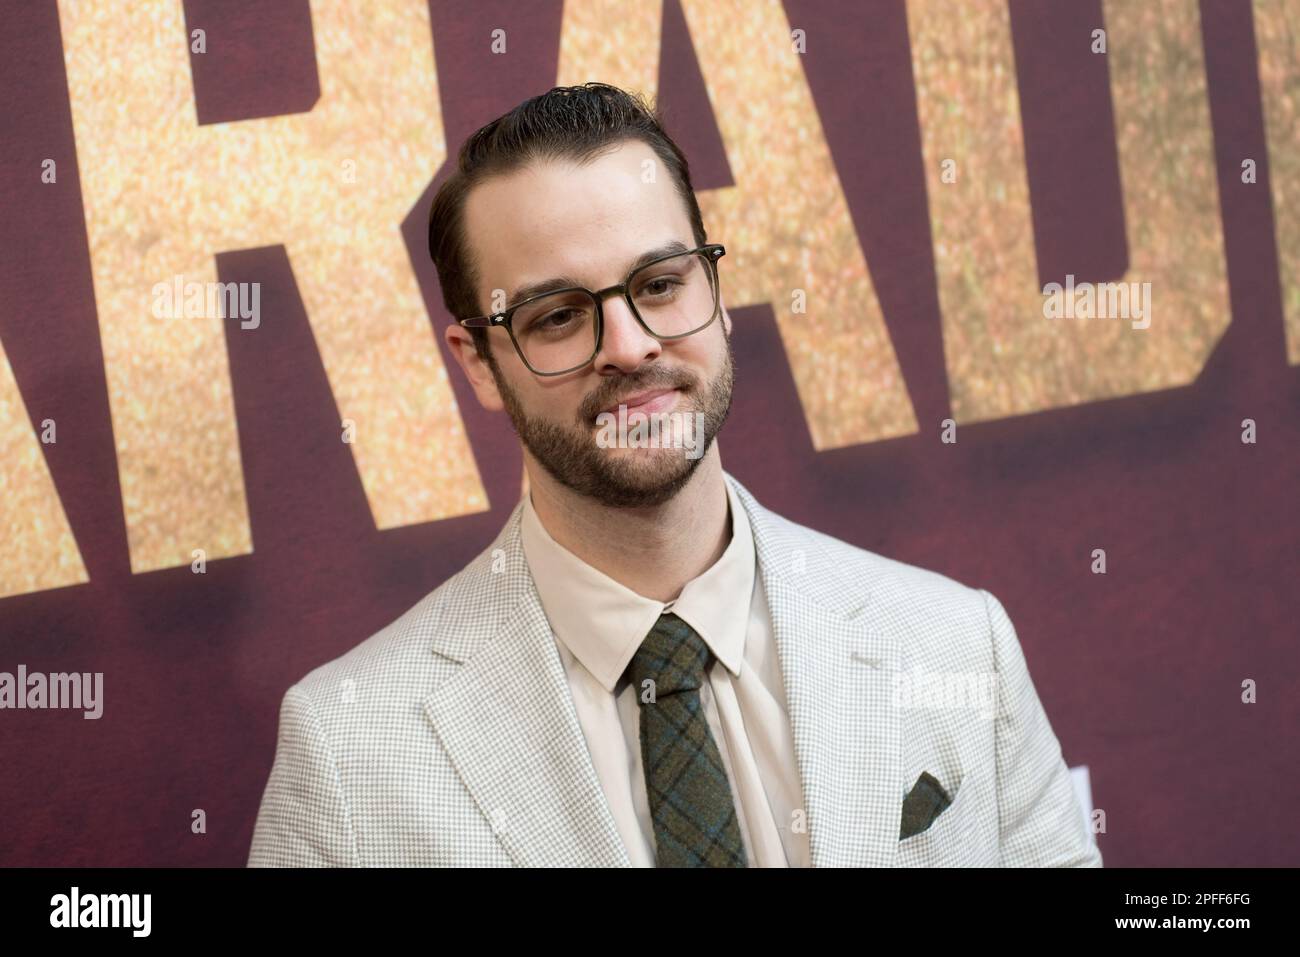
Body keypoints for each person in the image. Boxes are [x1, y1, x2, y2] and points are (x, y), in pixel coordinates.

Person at [248, 82, 1101, 868]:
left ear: (716, 289)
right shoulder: (351, 754)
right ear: (478, 362)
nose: (629, 346)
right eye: (558, 316)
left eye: (659, 283)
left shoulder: (956, 644)